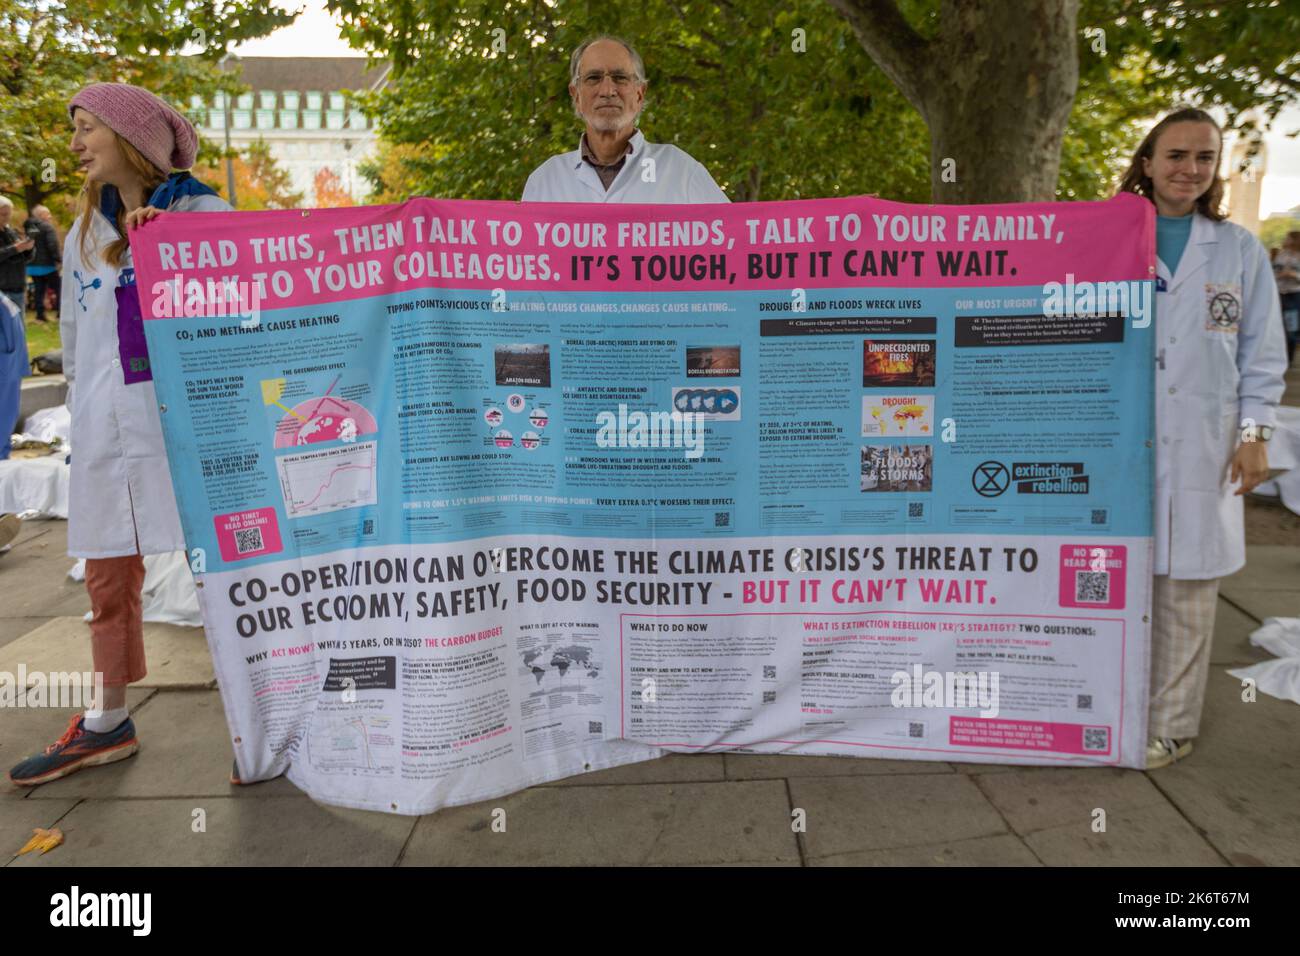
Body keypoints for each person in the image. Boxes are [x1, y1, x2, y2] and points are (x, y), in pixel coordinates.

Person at [7, 83, 231, 787]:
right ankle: (107, 722)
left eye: (85, 128)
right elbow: (76, 337)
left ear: (131, 137)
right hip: (106, 423)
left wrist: (163, 254)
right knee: (108, 574)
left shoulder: (204, 213)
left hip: (182, 424)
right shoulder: (80, 232)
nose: (74, 144)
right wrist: (81, 406)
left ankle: (263, 720)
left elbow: (232, 318)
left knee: (220, 573)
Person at [1117, 107, 1288, 769]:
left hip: (1206, 443)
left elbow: (1264, 355)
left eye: (1205, 158)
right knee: (1120, 585)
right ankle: (1112, 708)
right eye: (1176, 155)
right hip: (1123, 440)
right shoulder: (1112, 234)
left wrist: (1253, 435)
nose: (1190, 169)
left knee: (1188, 591)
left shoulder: (1238, 248)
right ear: (1149, 161)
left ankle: (1171, 725)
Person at [522, 35, 728, 203]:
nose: (608, 90)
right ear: (576, 95)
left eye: (620, 78)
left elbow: (733, 242)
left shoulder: (682, 172)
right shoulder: (544, 181)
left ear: (639, 93)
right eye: (593, 78)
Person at [24, 205, 62, 323]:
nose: (50, 216)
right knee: (58, 288)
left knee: (39, 290)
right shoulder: (47, 227)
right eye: (48, 214)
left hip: (32, 265)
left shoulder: (29, 227)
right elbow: (52, 245)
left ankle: (40, 315)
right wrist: (58, 259)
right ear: (41, 215)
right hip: (48, 265)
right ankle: (61, 312)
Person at [0, 196, 35, 316]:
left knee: (18, 330)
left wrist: (29, 249)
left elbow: (24, 259)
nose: (7, 218)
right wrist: (15, 248)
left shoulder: (11, 232)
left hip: (17, 288)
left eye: (9, 214)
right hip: (2, 291)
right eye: (3, 214)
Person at [1272, 230, 1300, 365]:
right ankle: (1279, 354)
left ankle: (1289, 357)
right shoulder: (1281, 255)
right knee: (1277, 324)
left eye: (1288, 238)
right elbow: (1273, 271)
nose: (1286, 240)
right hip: (1279, 293)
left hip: (1293, 294)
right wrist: (1280, 274)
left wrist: (1293, 275)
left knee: (1291, 326)